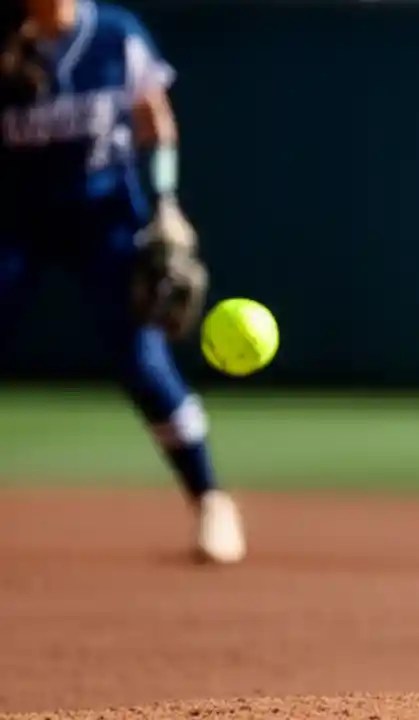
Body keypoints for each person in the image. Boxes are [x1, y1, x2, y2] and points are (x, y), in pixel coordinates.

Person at [0, 0, 246, 565]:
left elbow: (154, 120)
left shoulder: (114, 34)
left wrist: (164, 202)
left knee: (141, 360)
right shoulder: (8, 38)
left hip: (103, 219)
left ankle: (211, 499)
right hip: (16, 221)